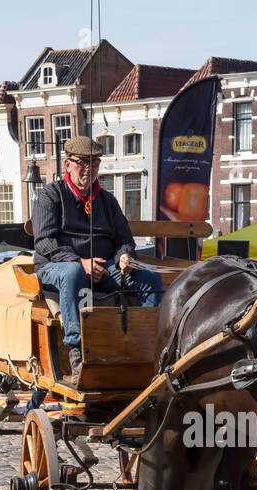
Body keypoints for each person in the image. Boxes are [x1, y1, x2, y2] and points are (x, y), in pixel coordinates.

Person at [33, 135, 164, 383]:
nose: (88, 169)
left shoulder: (107, 201)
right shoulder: (50, 196)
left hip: (104, 268)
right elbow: (45, 242)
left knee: (151, 279)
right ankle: (75, 350)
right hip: (56, 267)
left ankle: (149, 347)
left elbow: (124, 239)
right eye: (82, 163)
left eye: (94, 163)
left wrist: (124, 256)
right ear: (67, 165)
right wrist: (79, 262)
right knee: (72, 273)